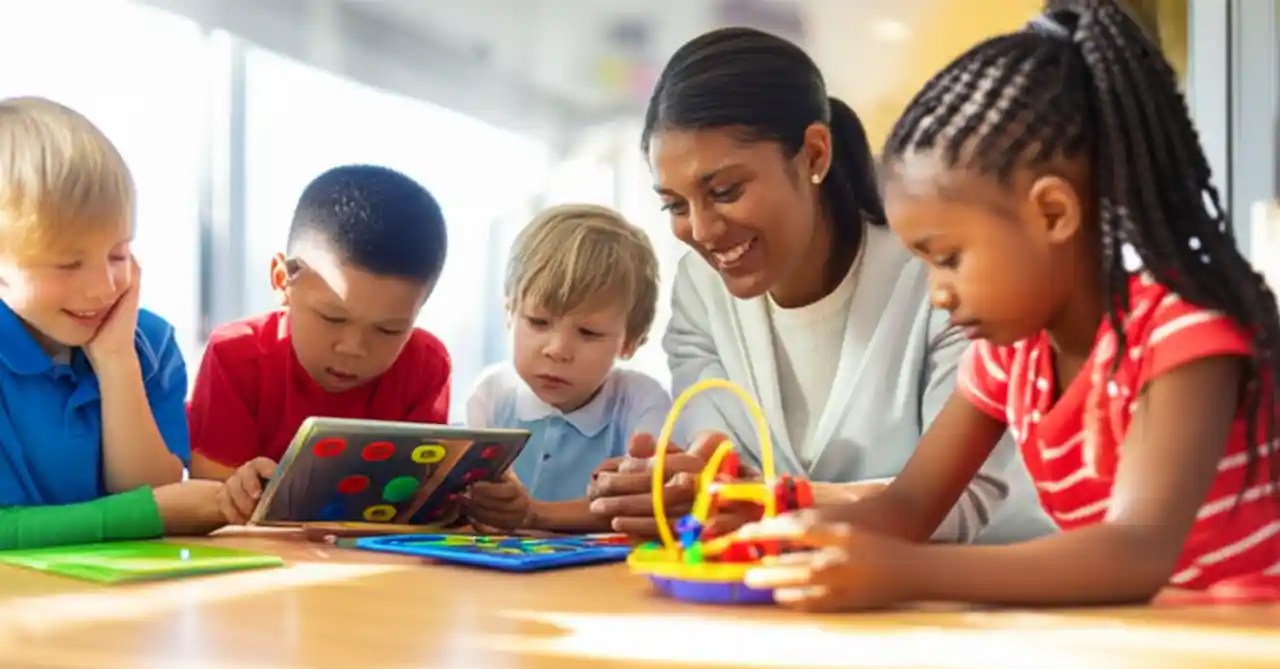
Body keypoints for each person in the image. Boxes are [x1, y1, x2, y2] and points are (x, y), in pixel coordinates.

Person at [738, 0, 1280, 611]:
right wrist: (783, 540)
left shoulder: (1179, 333)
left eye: (948, 257)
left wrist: (906, 572)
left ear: (1052, 213)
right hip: (1145, 646)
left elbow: (1134, 552)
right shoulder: (1011, 356)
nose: (937, 292)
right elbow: (910, 506)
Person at [588, 26, 1054, 543]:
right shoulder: (700, 290)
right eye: (674, 205)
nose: (700, 231)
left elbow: (956, 503)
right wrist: (676, 487)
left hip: (985, 595)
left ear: (814, 155)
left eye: (724, 190)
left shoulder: (940, 272)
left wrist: (762, 499)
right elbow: (724, 480)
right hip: (809, 595)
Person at [0, 96, 223, 549]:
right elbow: (156, 506)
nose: (103, 288)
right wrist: (146, 515)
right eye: (67, 264)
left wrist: (117, 360)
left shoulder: (150, 343)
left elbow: (147, 487)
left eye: (118, 253)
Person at [187, 165, 459, 523]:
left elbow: (421, 499)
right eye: (333, 318)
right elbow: (211, 498)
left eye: (389, 330)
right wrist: (235, 490)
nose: (353, 348)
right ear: (282, 280)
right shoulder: (235, 355)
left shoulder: (427, 363)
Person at [464, 204, 671, 531]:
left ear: (630, 341)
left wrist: (533, 513)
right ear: (509, 312)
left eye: (588, 333)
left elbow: (644, 503)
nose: (557, 350)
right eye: (538, 321)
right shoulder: (490, 396)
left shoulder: (641, 400)